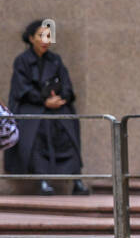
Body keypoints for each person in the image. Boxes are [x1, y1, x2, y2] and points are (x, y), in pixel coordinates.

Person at [5, 20, 88, 195]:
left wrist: (60, 98)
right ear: (31, 38)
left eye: (49, 36)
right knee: (35, 128)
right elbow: (22, 89)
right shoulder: (22, 61)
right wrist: (43, 101)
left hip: (56, 107)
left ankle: (76, 179)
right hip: (33, 107)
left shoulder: (55, 60)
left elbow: (67, 86)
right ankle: (42, 179)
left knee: (68, 125)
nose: (45, 40)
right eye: (41, 36)